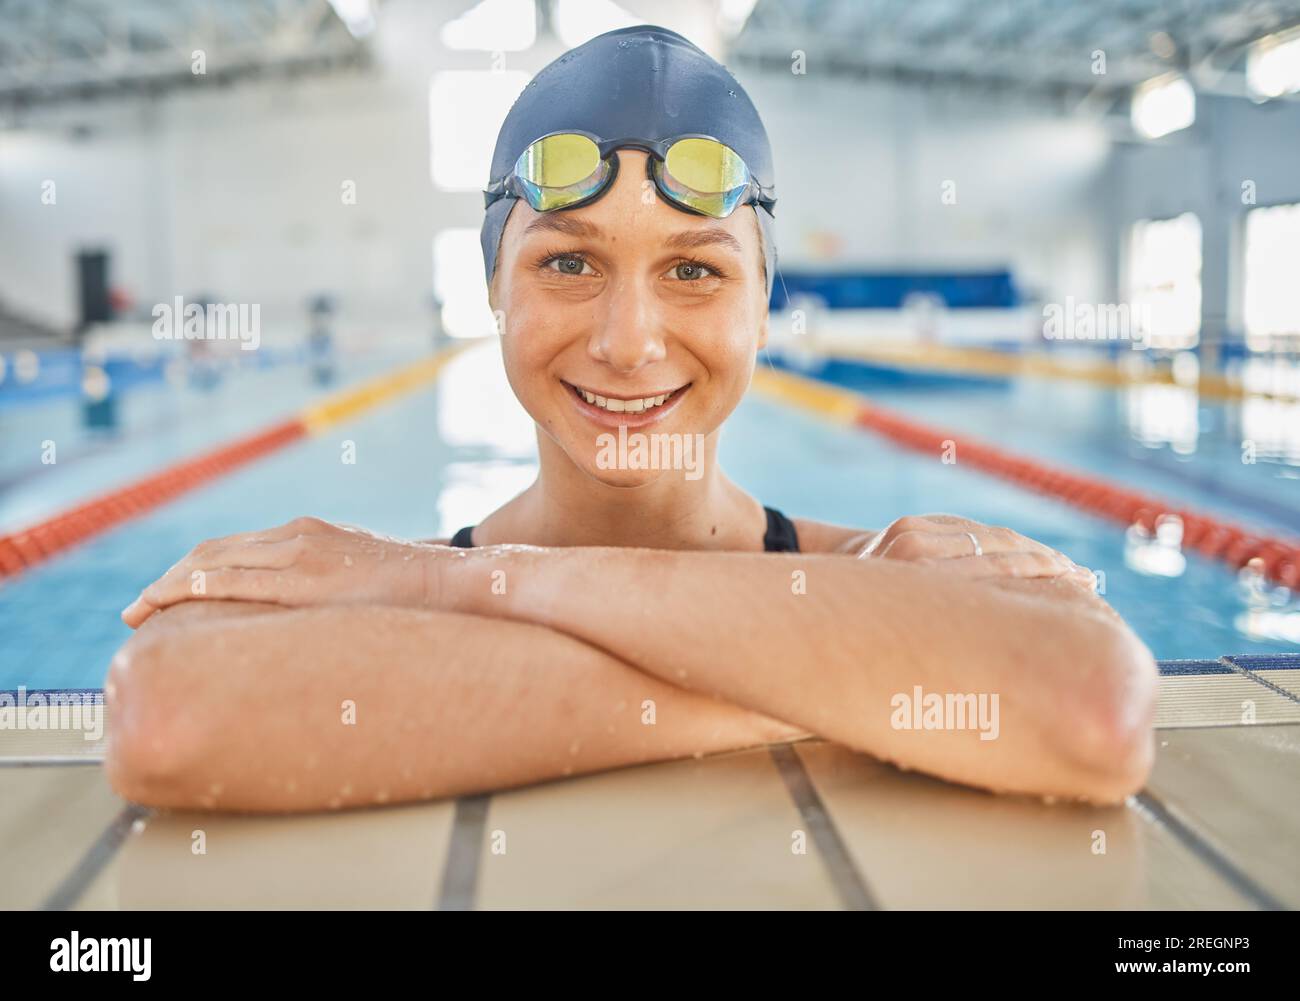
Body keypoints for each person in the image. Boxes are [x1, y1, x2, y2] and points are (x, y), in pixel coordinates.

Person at [107, 26, 1157, 814]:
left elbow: (1092, 711)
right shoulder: (902, 592)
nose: (626, 340)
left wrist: (449, 583)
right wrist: (856, 677)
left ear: (761, 306)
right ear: (492, 290)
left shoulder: (404, 586)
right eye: (567, 261)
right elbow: (164, 716)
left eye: (694, 269)